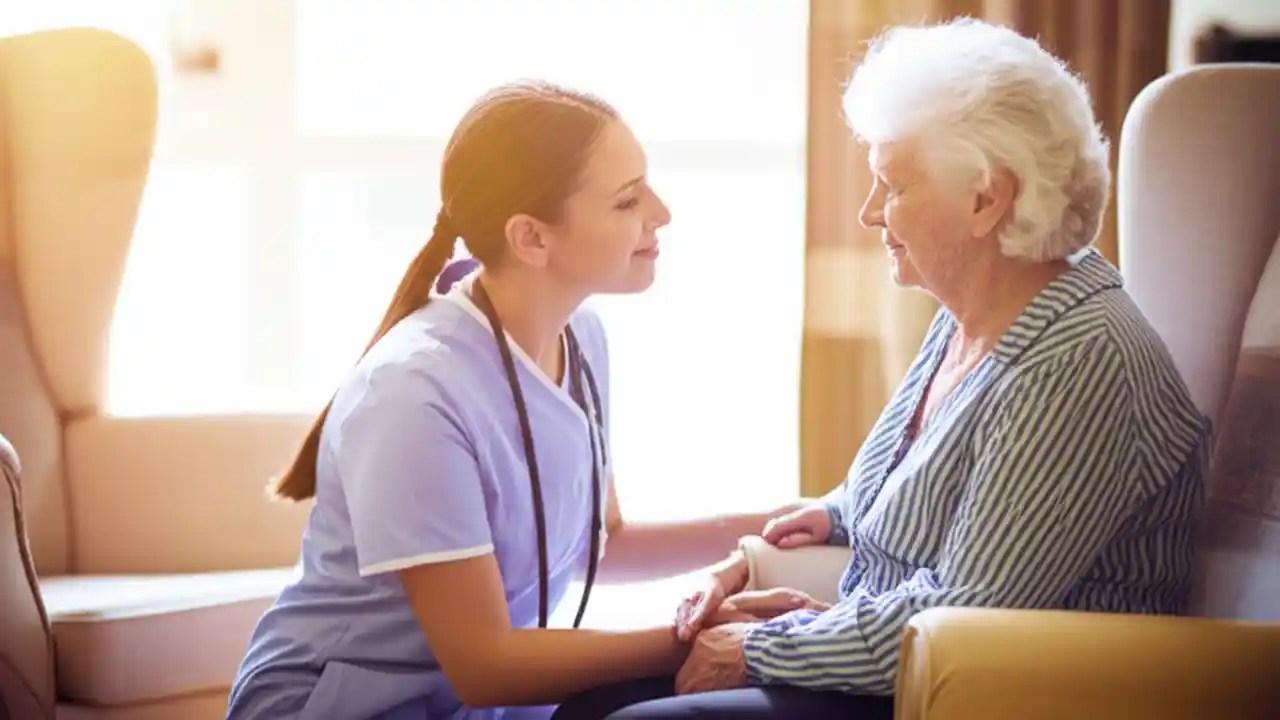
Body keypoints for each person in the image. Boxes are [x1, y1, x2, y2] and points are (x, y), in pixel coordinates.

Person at [554, 18, 1209, 719]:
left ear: (986, 199)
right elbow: (928, 492)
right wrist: (824, 520)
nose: (869, 213)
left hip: (1000, 695)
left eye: (891, 186)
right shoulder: (975, 314)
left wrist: (758, 647)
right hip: (901, 666)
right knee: (591, 700)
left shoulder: (1078, 365)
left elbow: (965, 615)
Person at [226, 81, 816, 720]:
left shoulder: (580, 337)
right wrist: (704, 637)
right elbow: (484, 667)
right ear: (532, 238)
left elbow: (602, 543)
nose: (662, 212)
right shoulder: (412, 394)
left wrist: (773, 529)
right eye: (627, 200)